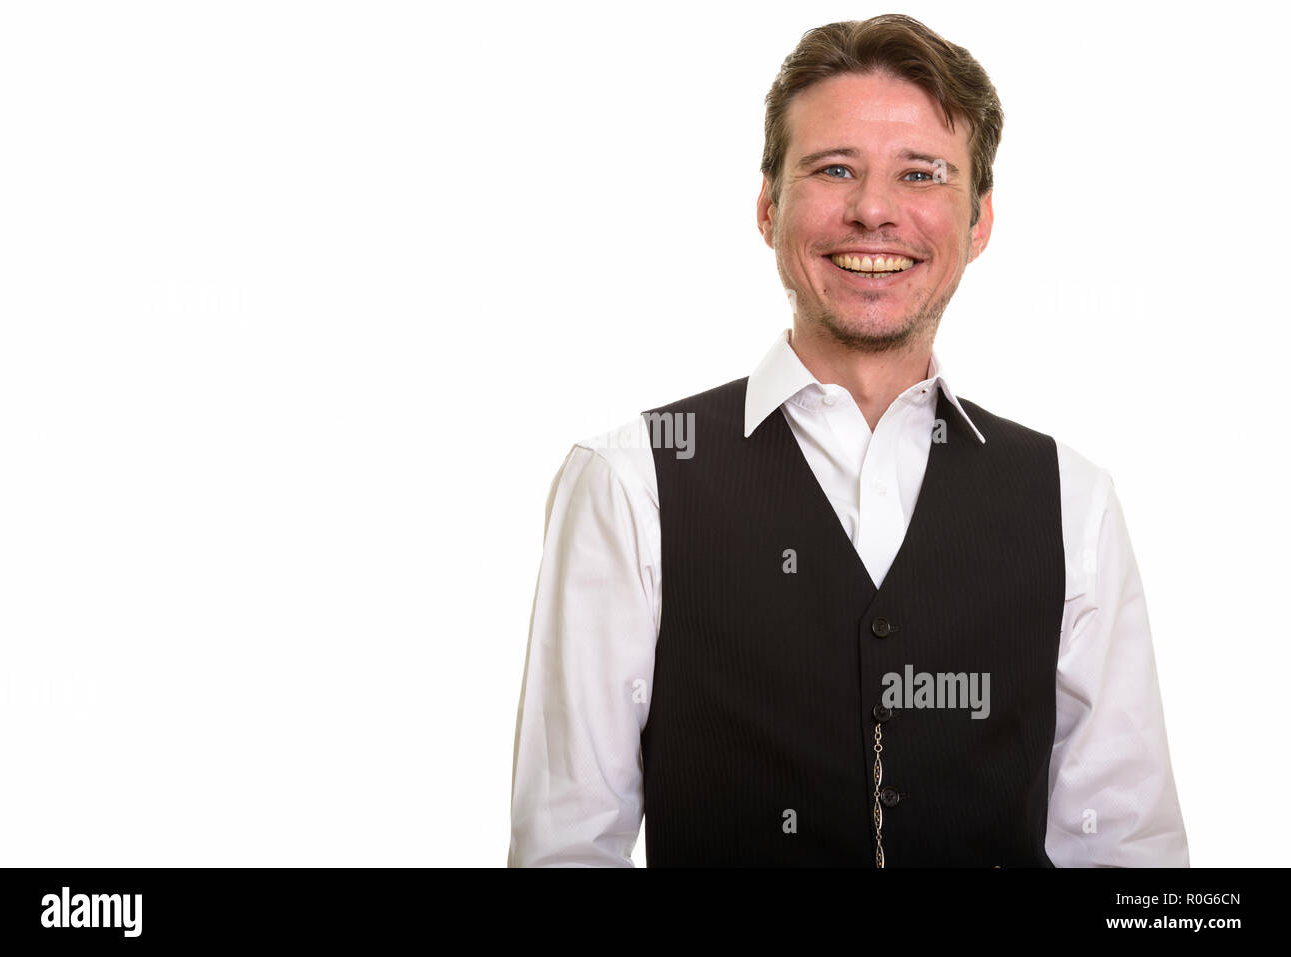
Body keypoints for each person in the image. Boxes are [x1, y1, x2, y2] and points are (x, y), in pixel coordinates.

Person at [507, 14, 1188, 867]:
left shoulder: (1071, 498)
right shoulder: (629, 480)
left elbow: (1129, 856)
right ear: (768, 207)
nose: (873, 210)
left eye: (921, 174)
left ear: (978, 222)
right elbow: (569, 848)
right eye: (835, 169)